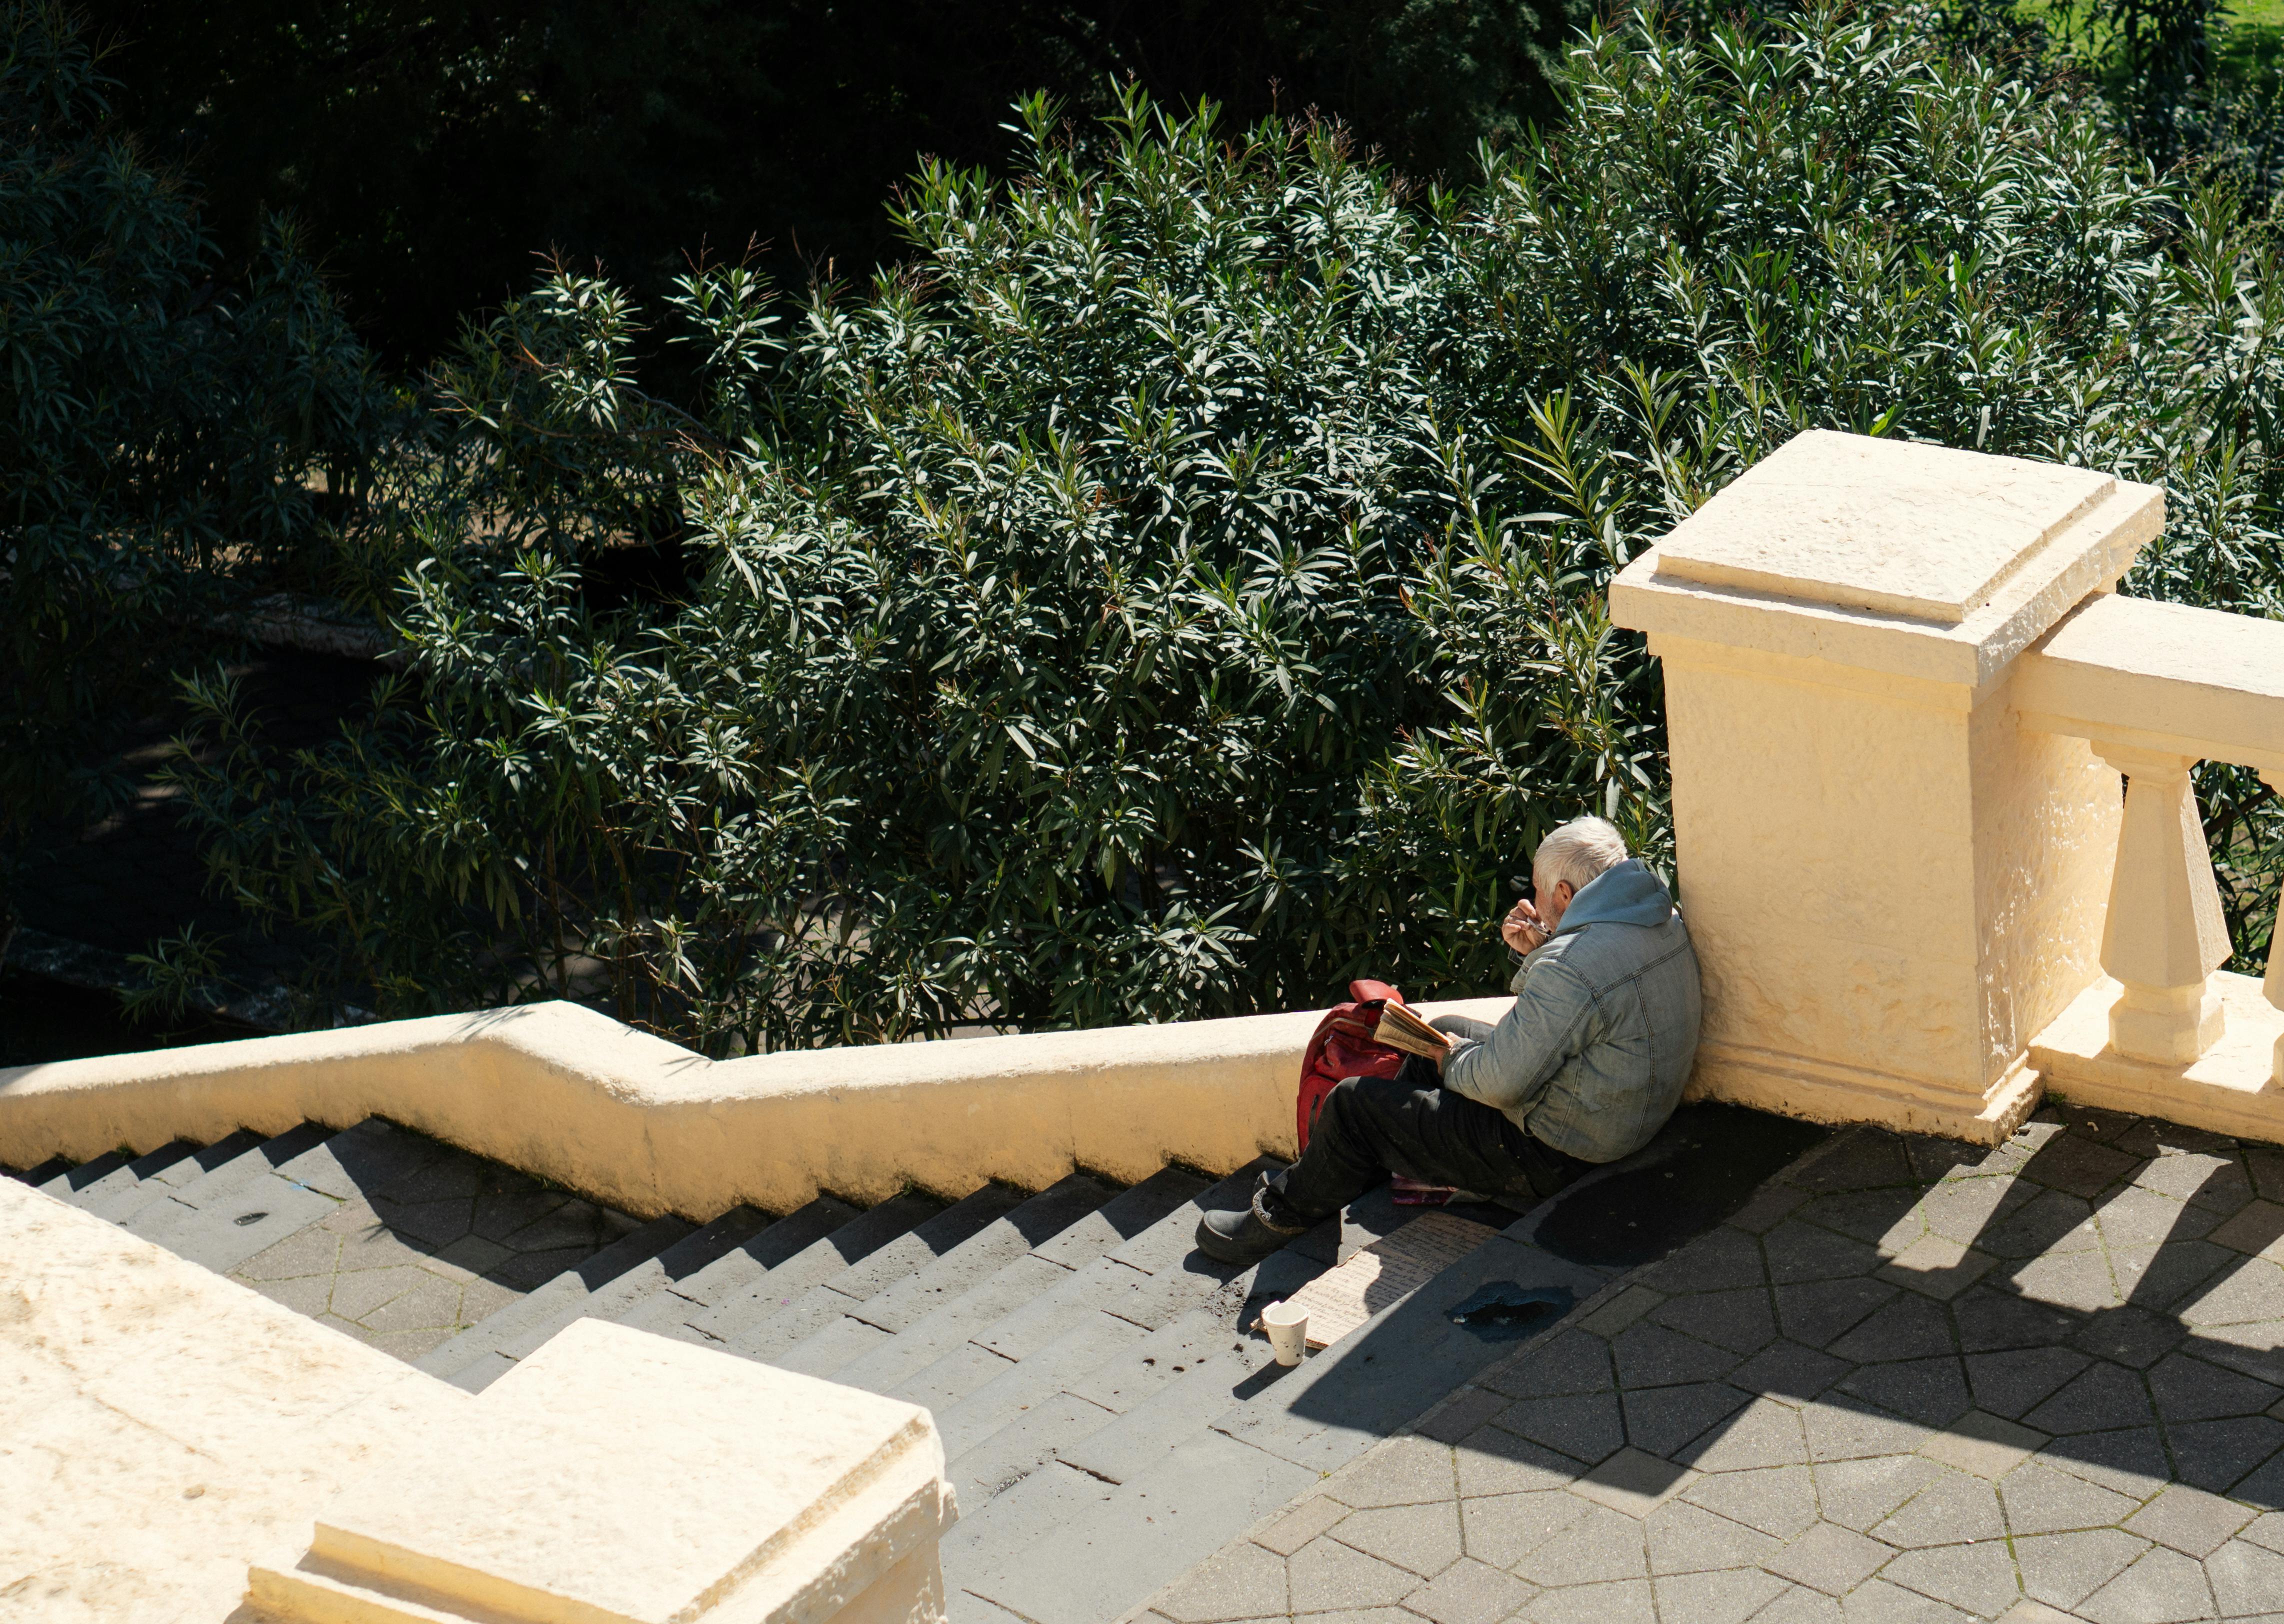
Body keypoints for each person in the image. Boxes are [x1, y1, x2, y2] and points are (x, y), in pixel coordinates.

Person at [1194, 814, 1704, 1264]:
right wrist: (1542, 949)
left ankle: (1280, 1216)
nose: (1536, 905)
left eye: (1541, 893)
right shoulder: (1656, 918)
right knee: (1444, 1028)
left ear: (1566, 894)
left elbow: (1502, 1083)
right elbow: (1590, 1000)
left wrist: (1450, 1057)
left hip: (1560, 1152)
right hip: (1625, 1114)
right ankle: (1364, 1162)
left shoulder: (1570, 966)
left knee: (1353, 1103)